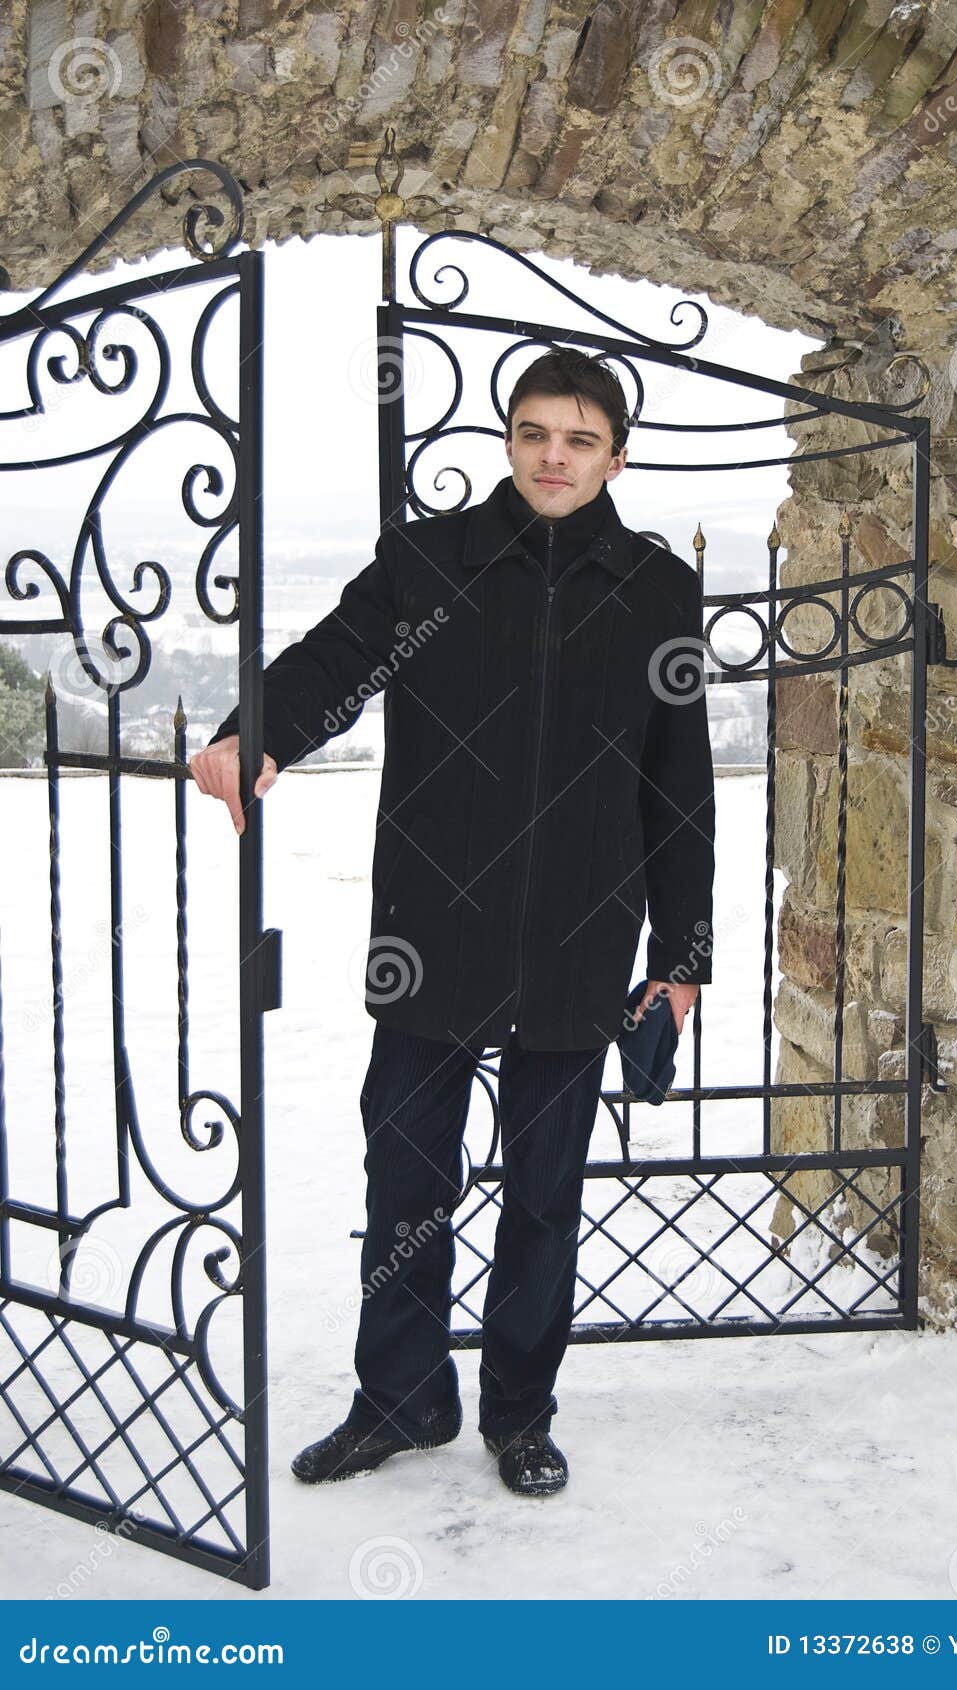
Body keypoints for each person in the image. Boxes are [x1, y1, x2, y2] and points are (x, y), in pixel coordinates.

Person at [189, 348, 715, 1497]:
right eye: (534, 433)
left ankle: (519, 1411)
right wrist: (257, 734)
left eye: (579, 439)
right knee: (408, 1185)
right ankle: (401, 1398)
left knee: (542, 1197)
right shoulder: (430, 562)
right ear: (509, 441)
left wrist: (681, 959)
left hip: (582, 935)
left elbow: (680, 783)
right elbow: (333, 659)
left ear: (615, 455)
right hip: (432, 930)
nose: (554, 457)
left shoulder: (657, 592)